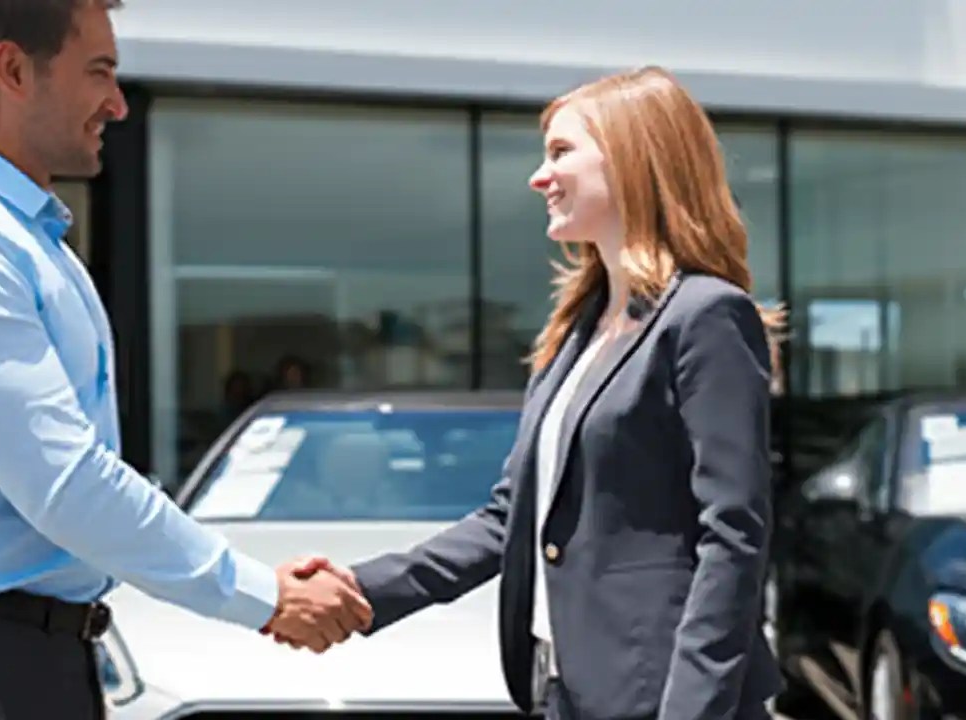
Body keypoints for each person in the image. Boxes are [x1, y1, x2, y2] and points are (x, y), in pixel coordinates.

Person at [0, 1, 369, 718]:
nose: (117, 104)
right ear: (14, 70)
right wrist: (264, 595)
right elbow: (66, 481)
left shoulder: (12, 234)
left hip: (11, 656)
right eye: (99, 73)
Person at [284, 66, 787, 719]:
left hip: (663, 697)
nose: (538, 177)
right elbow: (509, 518)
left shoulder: (705, 316)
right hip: (565, 691)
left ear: (634, 159)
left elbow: (735, 534)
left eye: (560, 152)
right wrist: (361, 589)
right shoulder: (577, 331)